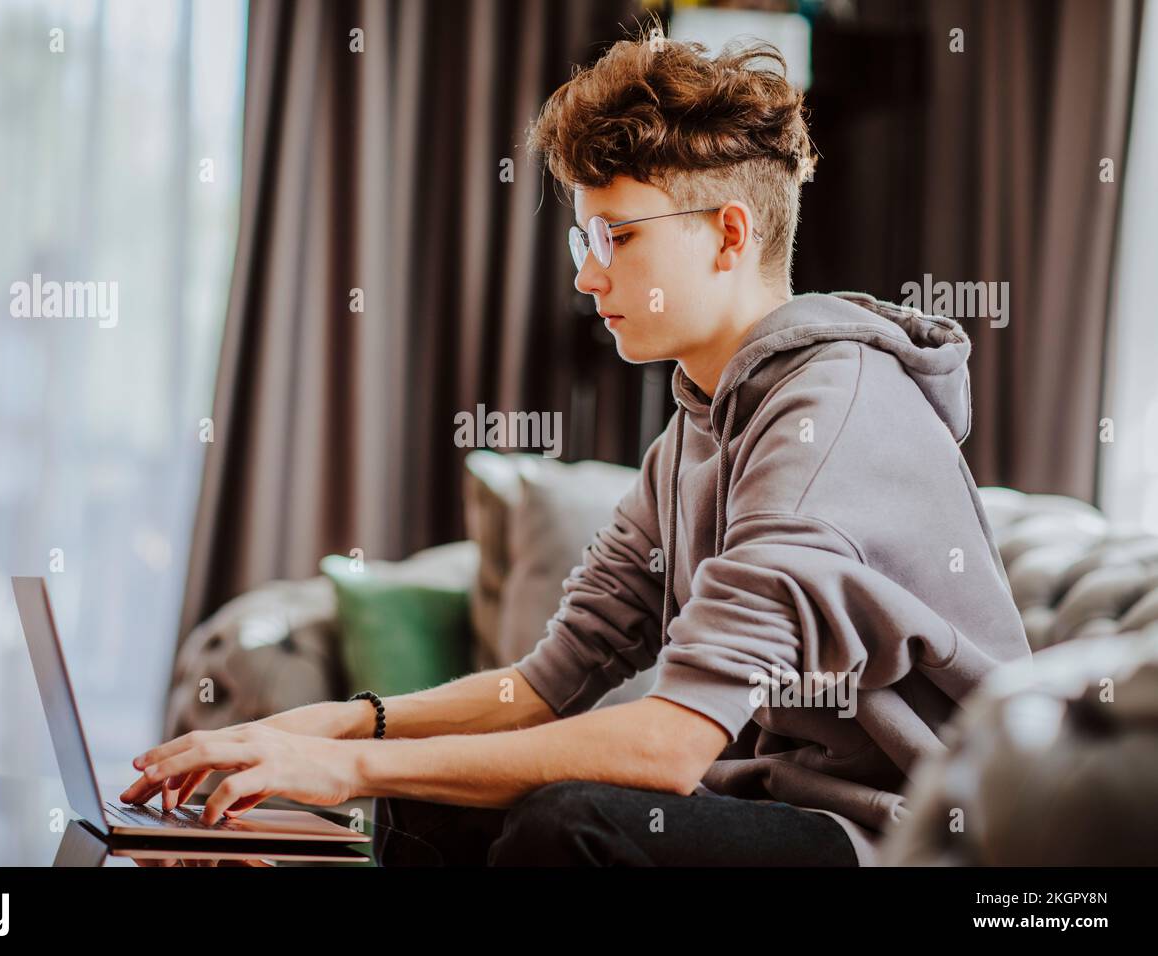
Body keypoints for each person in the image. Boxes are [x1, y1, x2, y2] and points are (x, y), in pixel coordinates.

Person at [120, 27, 1030, 867]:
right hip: (789, 809)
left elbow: (669, 747)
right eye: (582, 237)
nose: (589, 274)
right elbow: (544, 684)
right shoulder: (698, 429)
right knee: (438, 804)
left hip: (922, 841)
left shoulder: (828, 420)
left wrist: (350, 772)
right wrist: (344, 726)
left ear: (727, 233)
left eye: (618, 237)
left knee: (570, 827)